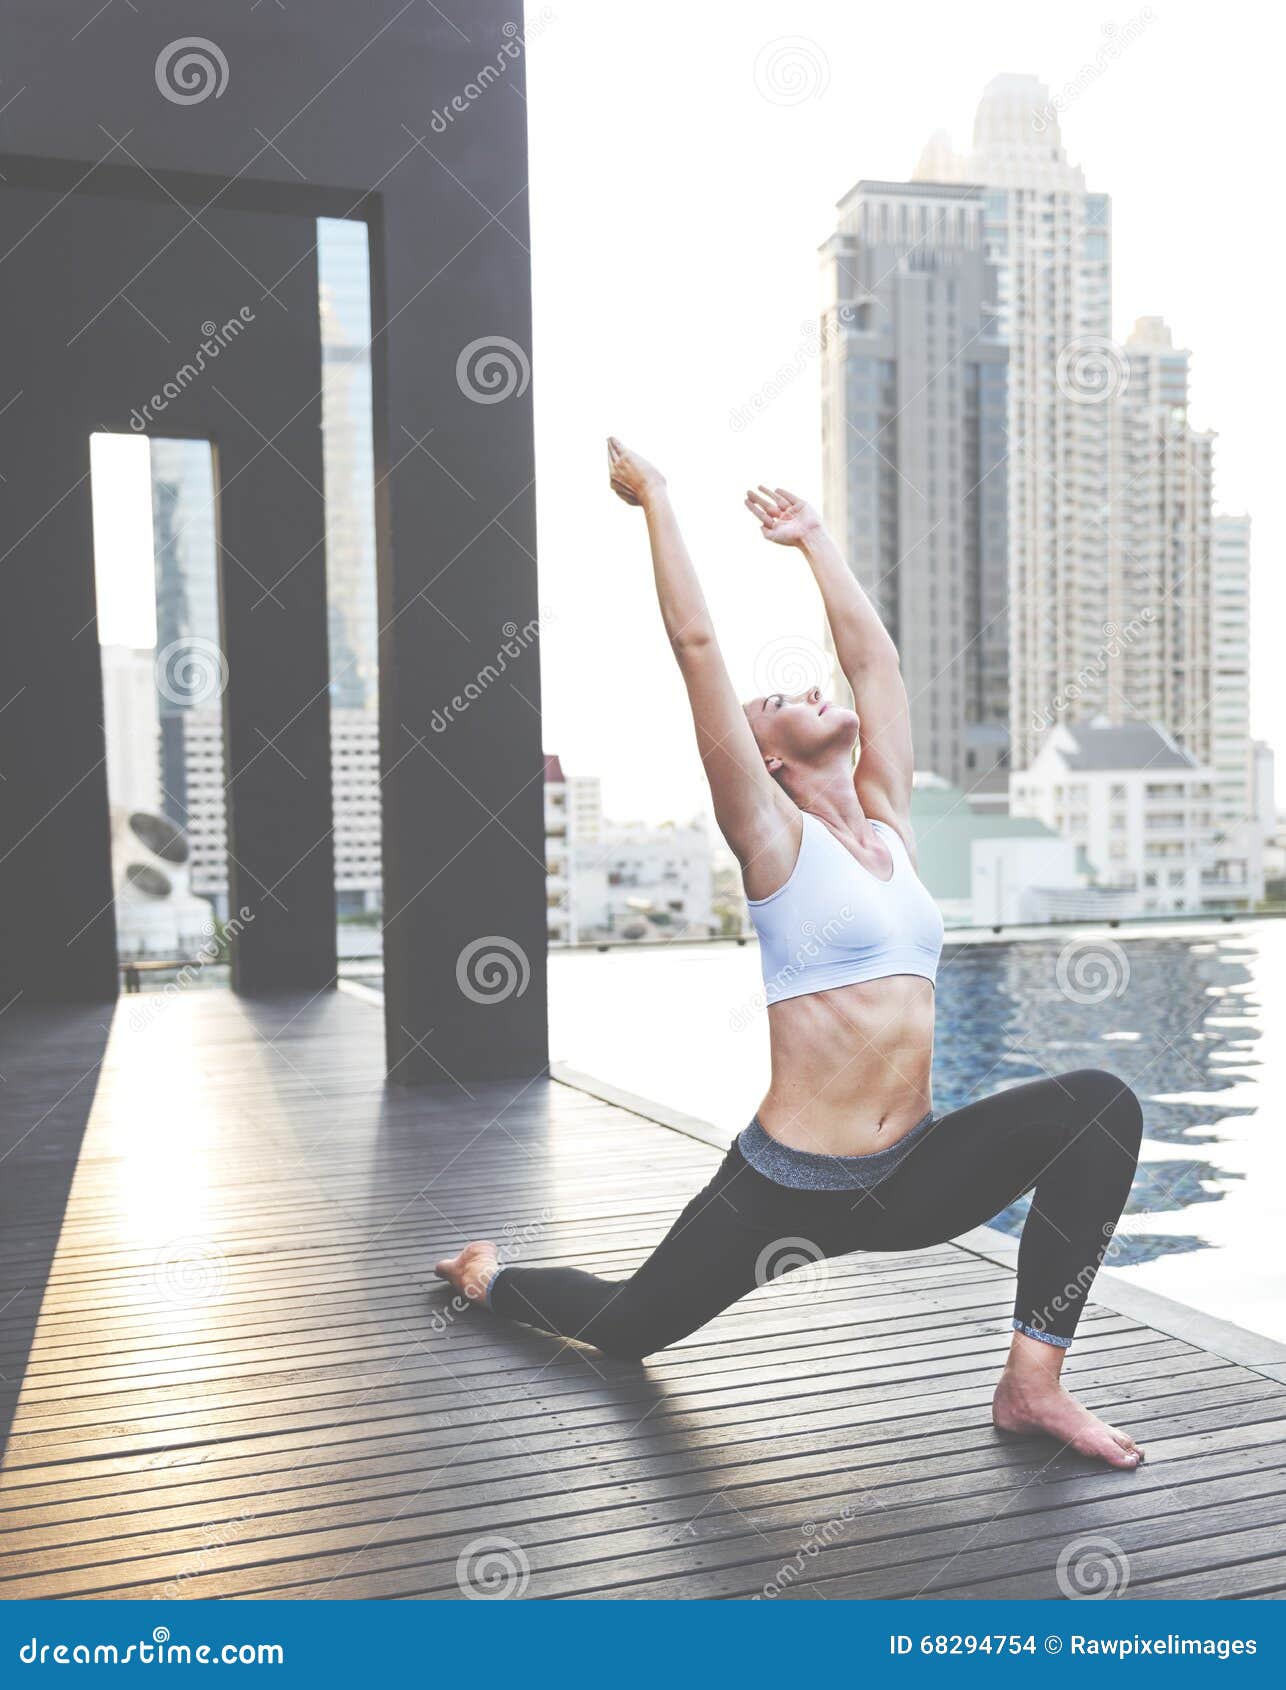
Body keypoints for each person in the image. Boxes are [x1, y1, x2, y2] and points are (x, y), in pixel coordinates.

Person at [437, 439, 1145, 1470]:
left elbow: (875, 667)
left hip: (910, 1174)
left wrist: (812, 540)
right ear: (762, 755)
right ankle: (491, 1277)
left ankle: (1029, 1385)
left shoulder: (887, 827)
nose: (804, 689)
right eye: (777, 702)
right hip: (783, 1189)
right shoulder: (769, 838)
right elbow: (694, 646)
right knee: (628, 1328)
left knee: (1099, 1107)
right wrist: (656, 502)